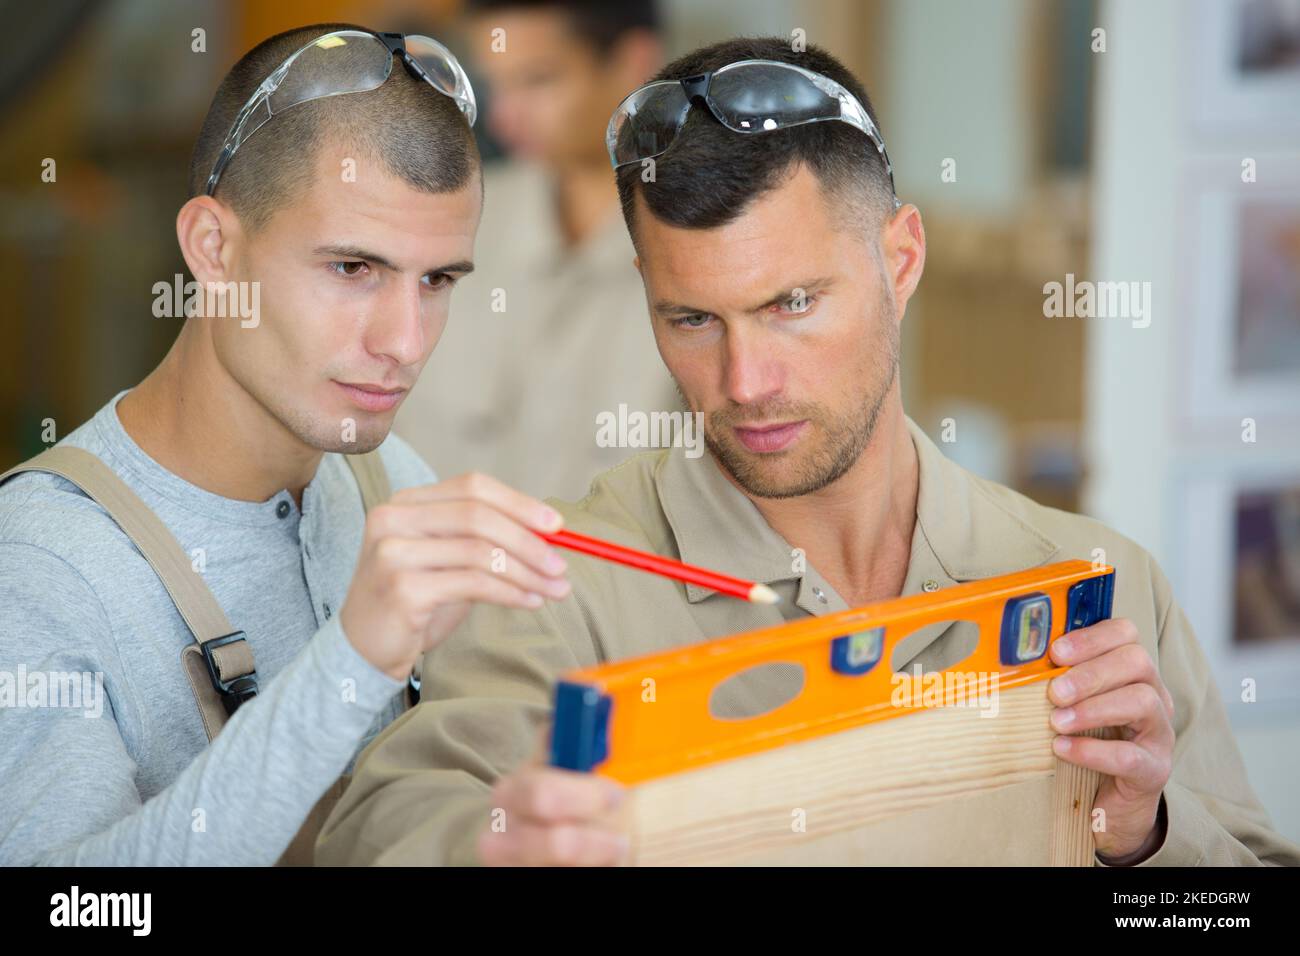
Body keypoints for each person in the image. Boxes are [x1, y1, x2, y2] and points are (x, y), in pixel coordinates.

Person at [317, 36, 1300, 867]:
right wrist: (499, 838)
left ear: (900, 259)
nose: (745, 381)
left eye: (792, 303)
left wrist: (1142, 835)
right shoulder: (557, 599)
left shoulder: (1099, 583)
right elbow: (382, 829)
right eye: (693, 317)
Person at [0, 23, 571, 866]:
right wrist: (352, 659)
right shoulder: (40, 563)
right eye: (352, 269)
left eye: (439, 280)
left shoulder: (390, 482)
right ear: (213, 248)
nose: (406, 342)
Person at [393, 0, 679, 501]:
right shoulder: (447, 228)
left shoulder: (707, 255)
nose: (503, 119)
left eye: (538, 81)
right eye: (495, 84)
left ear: (634, 61)